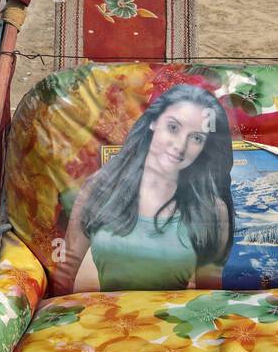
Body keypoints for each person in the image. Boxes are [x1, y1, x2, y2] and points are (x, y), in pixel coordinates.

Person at [54, 83, 235, 294]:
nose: (180, 145)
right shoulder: (100, 188)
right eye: (174, 127)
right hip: (103, 321)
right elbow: (65, 273)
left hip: (172, 322)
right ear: (153, 122)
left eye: (196, 138)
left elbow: (209, 299)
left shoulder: (211, 209)